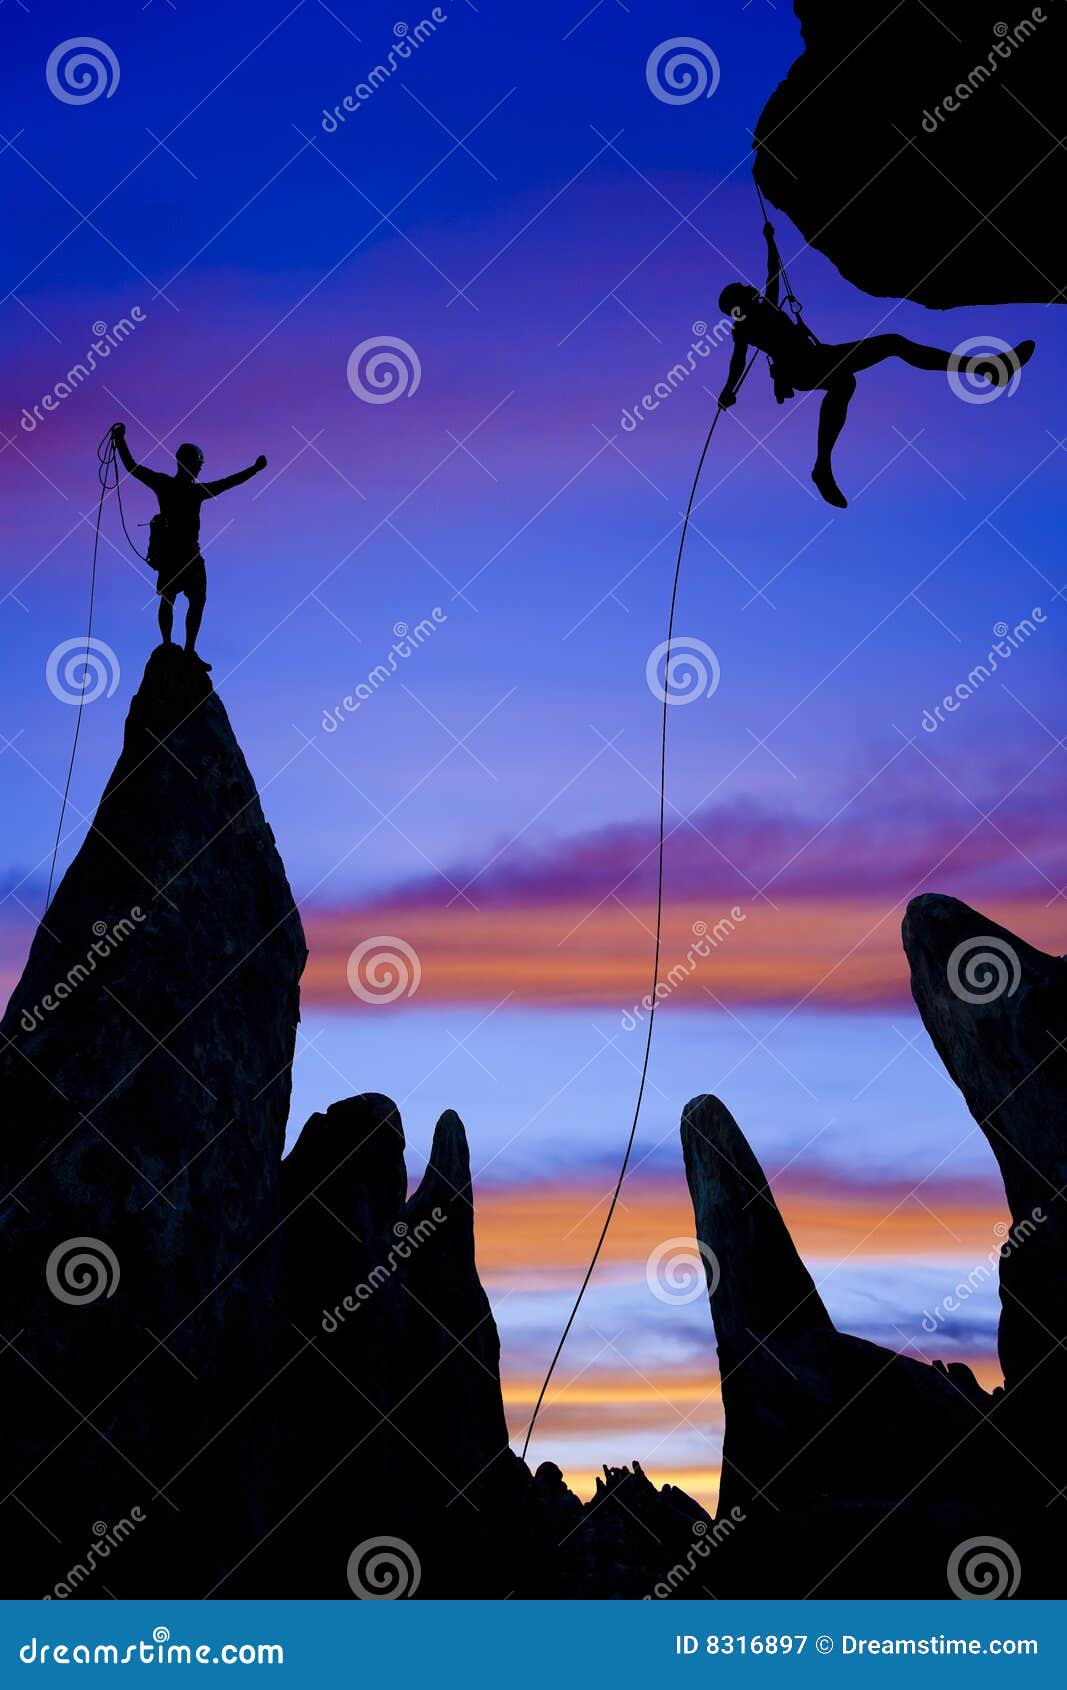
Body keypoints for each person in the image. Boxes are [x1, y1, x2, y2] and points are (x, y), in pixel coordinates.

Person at [717, 222, 1035, 509]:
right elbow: (738, 361)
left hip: (818, 359)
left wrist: (770, 240)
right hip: (806, 366)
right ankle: (986, 369)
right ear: (738, 305)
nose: (749, 288)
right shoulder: (745, 327)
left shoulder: (765, 308)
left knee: (853, 376)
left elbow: (773, 271)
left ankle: (822, 467)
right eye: (742, 290)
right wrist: (728, 391)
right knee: (886, 350)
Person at [110, 423, 267, 667]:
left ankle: (180, 648)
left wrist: (119, 440)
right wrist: (254, 469)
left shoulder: (173, 486)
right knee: (178, 599)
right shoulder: (187, 490)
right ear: (190, 463)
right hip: (180, 556)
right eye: (198, 465)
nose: (199, 469)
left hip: (185, 557)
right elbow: (228, 482)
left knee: (185, 599)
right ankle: (176, 647)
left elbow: (132, 467)